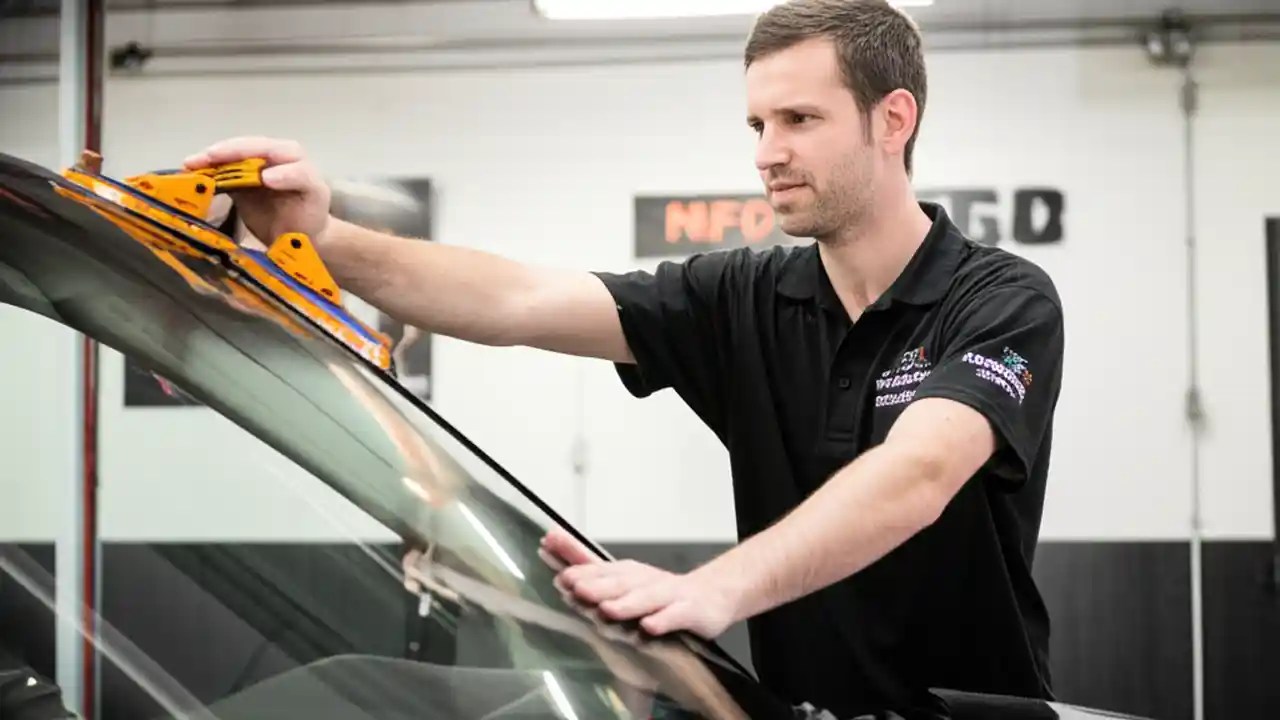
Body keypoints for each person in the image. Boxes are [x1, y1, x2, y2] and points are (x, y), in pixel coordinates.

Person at [181, 0, 1065, 717]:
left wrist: (715, 592)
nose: (767, 153)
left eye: (800, 119)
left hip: (972, 713)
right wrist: (323, 239)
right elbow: (520, 301)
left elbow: (918, 473)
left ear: (893, 119)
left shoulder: (997, 300)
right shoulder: (742, 298)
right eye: (757, 122)